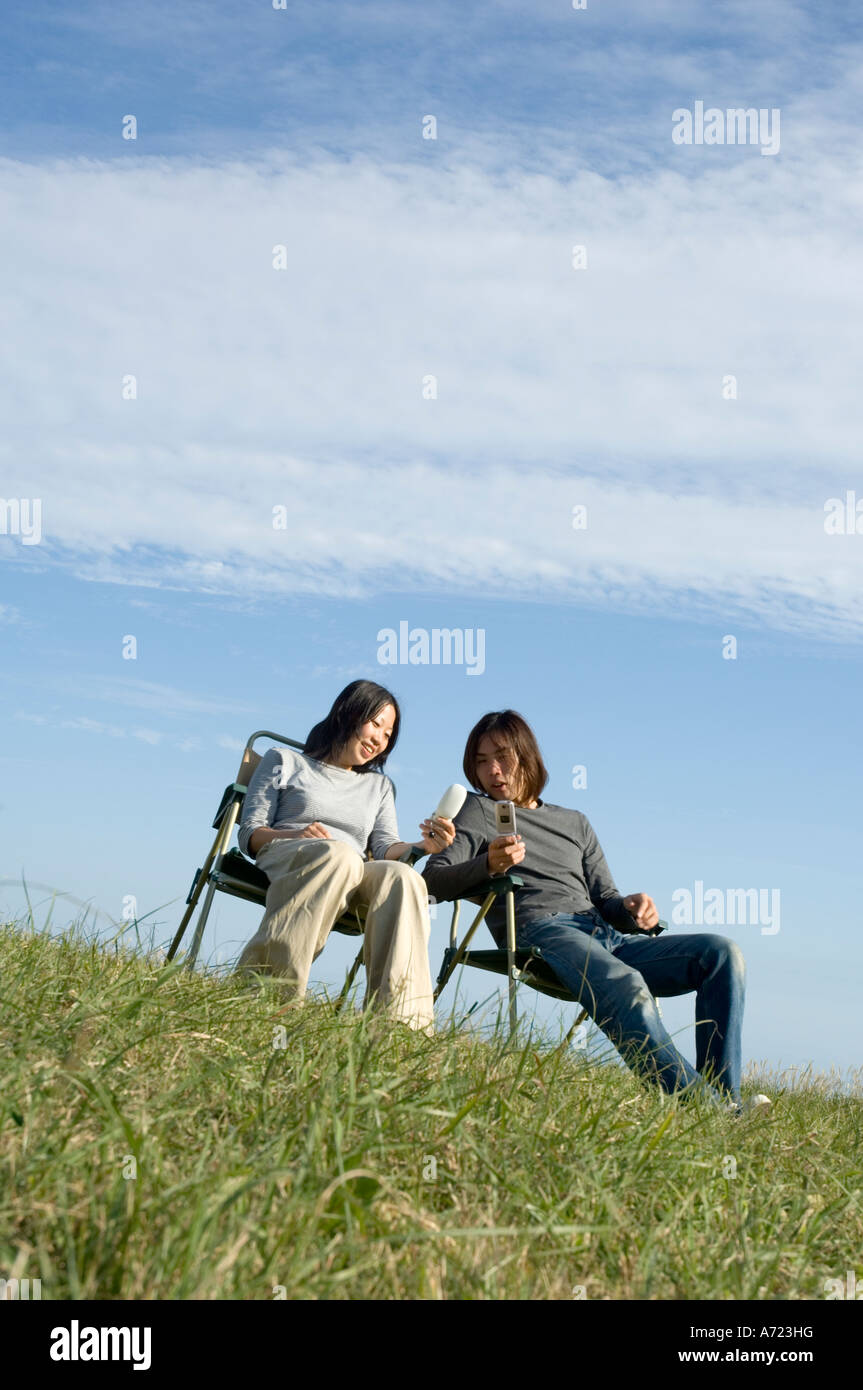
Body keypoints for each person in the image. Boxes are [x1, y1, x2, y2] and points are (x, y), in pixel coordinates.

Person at [423, 709, 770, 1112]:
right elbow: (433, 881)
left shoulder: (575, 822)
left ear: (527, 756)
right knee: (626, 984)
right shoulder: (477, 811)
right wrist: (489, 865)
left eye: (503, 756)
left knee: (722, 955)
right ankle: (706, 1110)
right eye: (481, 762)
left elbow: (607, 899)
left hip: (605, 936)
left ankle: (725, 1099)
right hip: (541, 932)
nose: (493, 771)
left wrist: (632, 909)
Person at [235, 680, 455, 1032]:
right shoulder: (283, 760)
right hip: (292, 852)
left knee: (406, 877)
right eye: (376, 724)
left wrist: (421, 847)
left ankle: (400, 1024)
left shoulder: (379, 787)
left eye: (388, 733)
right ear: (348, 713)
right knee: (339, 856)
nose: (380, 739)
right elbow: (250, 832)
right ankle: (267, 994)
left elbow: (385, 849)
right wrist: (297, 833)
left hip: (352, 868)